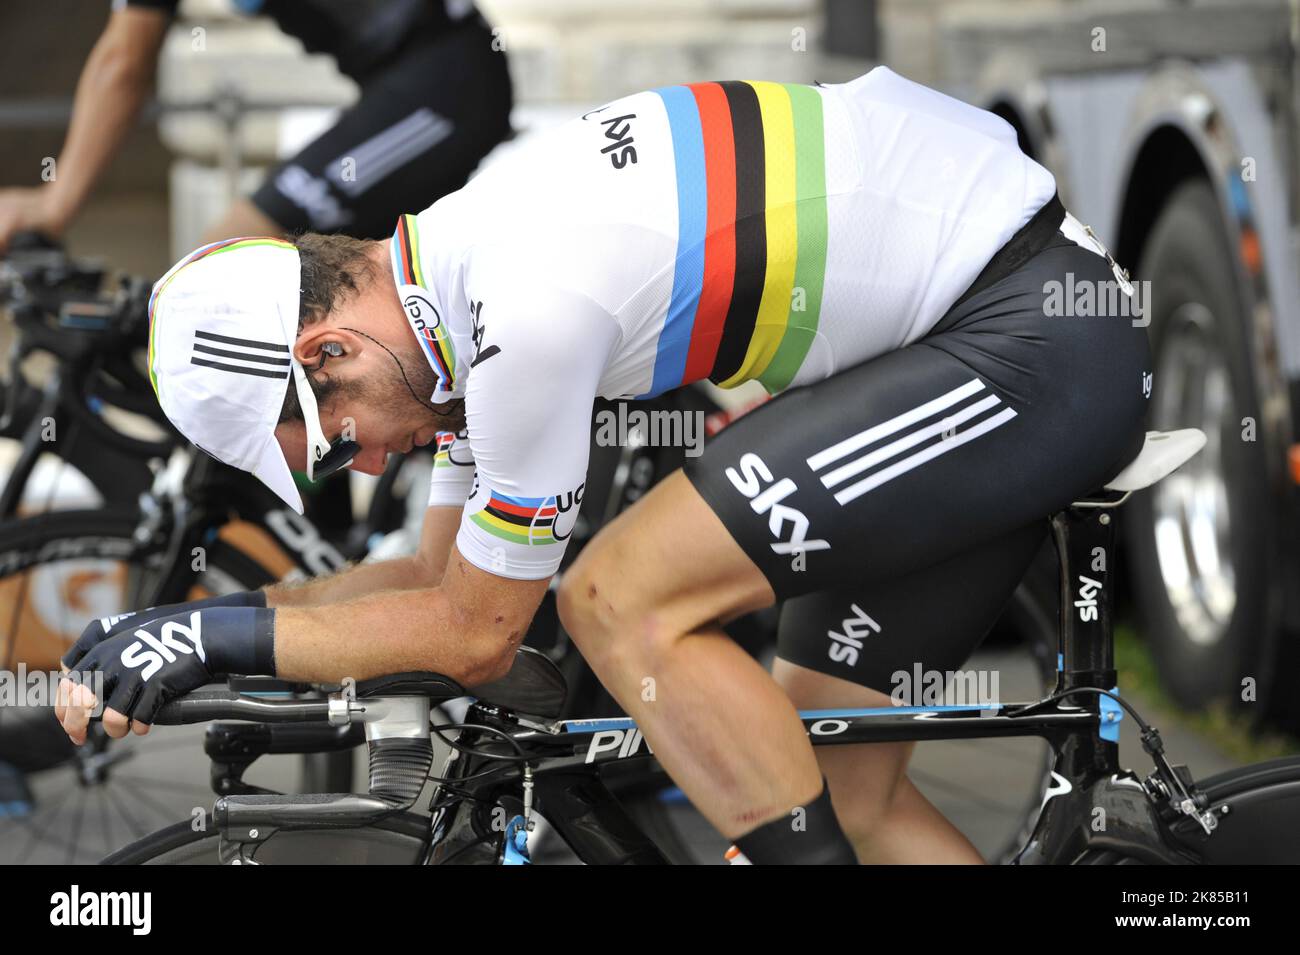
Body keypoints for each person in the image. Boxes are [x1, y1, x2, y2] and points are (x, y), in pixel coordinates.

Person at [55, 67, 1152, 864]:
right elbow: (431, 583)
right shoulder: (445, 292)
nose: (368, 462)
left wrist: (205, 635)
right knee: (838, 793)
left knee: (614, 596)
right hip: (975, 331)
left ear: (328, 352)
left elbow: (478, 635)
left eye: (338, 442)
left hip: (1027, 337)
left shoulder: (515, 313)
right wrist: (194, 630)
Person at [0, 0, 512, 250]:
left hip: (444, 91)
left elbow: (122, 65)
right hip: (416, 81)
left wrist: (55, 203)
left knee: (227, 256)